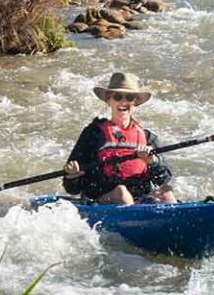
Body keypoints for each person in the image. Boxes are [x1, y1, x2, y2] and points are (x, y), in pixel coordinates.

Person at [62, 72, 177, 205]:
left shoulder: (147, 138)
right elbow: (71, 188)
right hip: (103, 199)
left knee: (166, 193)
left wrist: (152, 162)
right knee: (122, 193)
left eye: (129, 97)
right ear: (109, 101)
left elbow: (164, 179)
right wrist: (73, 176)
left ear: (134, 103)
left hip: (139, 198)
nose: (123, 102)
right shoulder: (93, 134)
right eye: (117, 97)